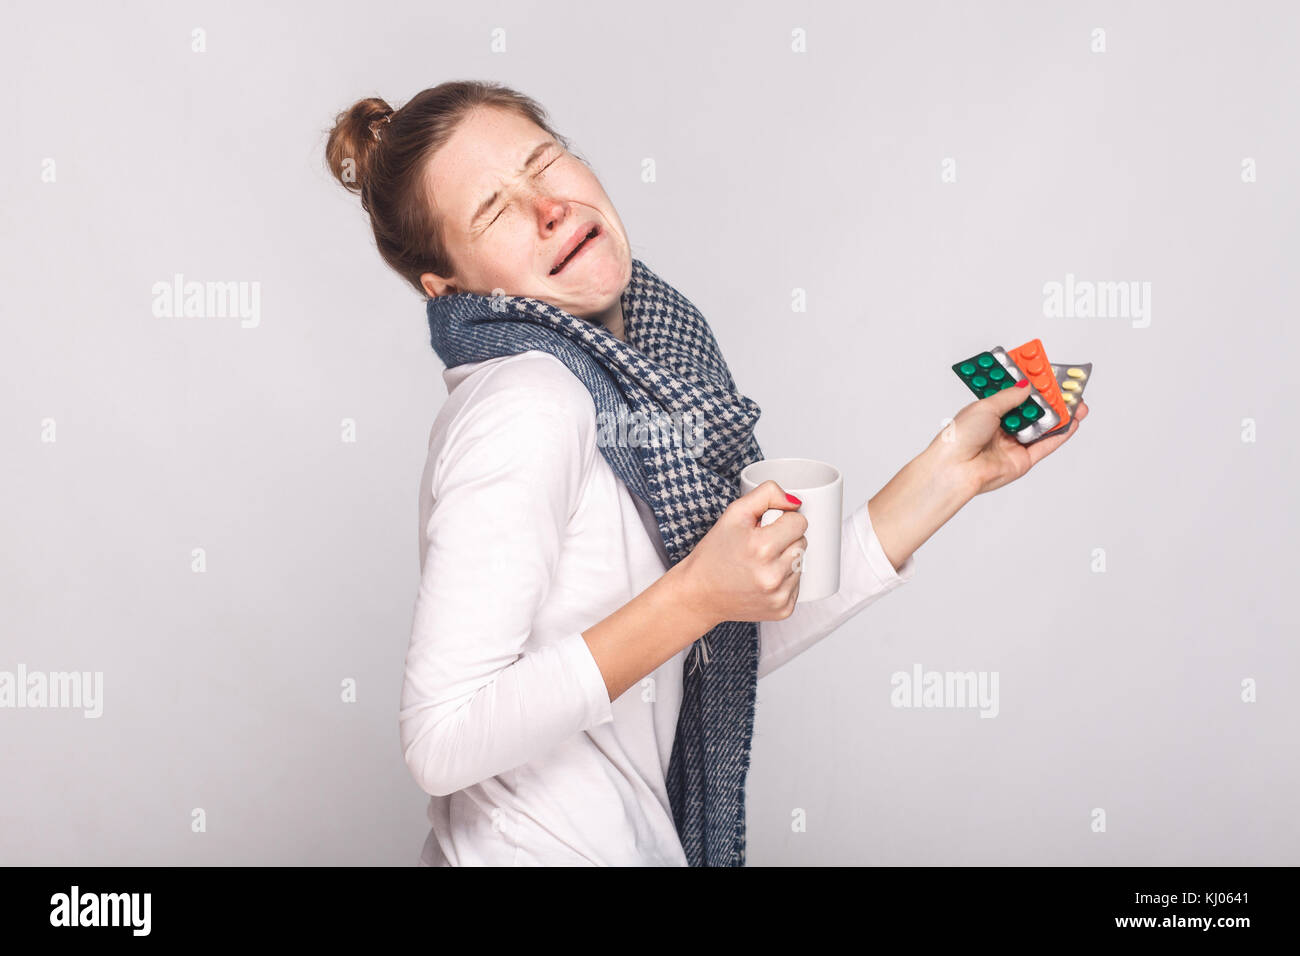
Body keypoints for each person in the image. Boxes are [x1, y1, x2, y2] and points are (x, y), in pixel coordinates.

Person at [323, 80, 1089, 866]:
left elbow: (717, 640)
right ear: (449, 287)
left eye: (544, 161)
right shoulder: (528, 401)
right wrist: (696, 594)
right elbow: (442, 736)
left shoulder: (643, 367)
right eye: (492, 210)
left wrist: (951, 474)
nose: (547, 206)